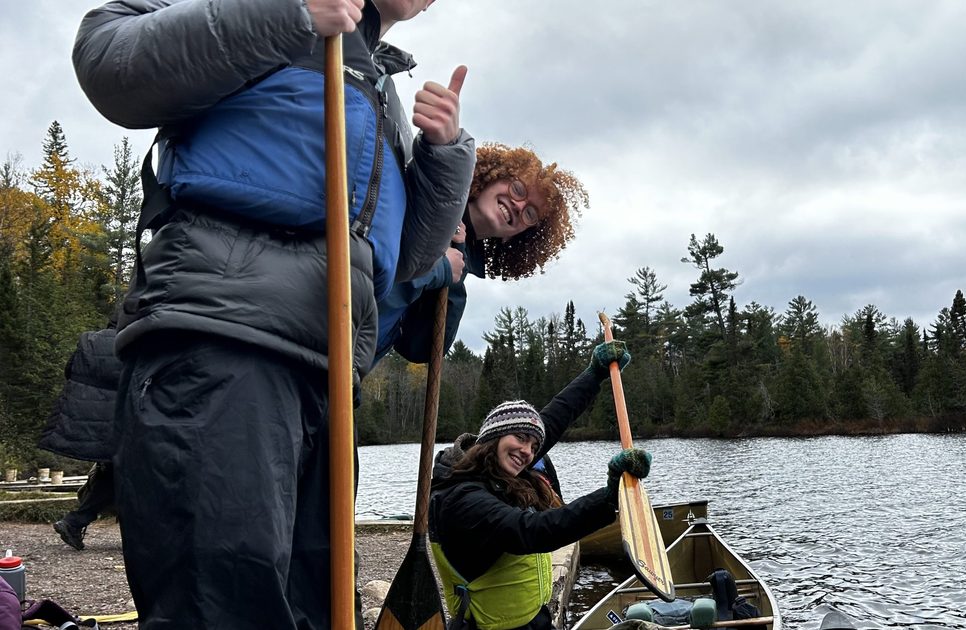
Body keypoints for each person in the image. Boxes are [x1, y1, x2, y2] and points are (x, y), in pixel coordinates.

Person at [71, 0, 474, 627]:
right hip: (226, 338)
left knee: (313, 608)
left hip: (328, 375)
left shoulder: (379, 86)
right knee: (223, 607)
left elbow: (401, 260)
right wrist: (292, 12)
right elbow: (109, 63)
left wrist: (445, 156)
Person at [429, 341, 651, 630]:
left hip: (531, 621)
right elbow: (531, 531)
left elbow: (555, 418)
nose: (528, 452)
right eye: (521, 438)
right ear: (493, 438)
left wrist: (595, 374)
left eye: (534, 446)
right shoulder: (461, 498)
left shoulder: (496, 469)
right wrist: (609, 497)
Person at [375, 142, 589, 366]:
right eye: (518, 189)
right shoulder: (425, 196)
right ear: (491, 177)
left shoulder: (461, 263)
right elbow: (370, 279)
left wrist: (452, 274)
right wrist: (440, 268)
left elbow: (418, 347)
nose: (519, 206)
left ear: (517, 236)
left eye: (530, 213)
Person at [38, 327, 121, 551]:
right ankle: (75, 522)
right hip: (125, 423)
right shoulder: (137, 340)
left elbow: (70, 371)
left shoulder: (91, 341)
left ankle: (74, 523)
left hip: (93, 425)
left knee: (111, 475)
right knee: (126, 476)